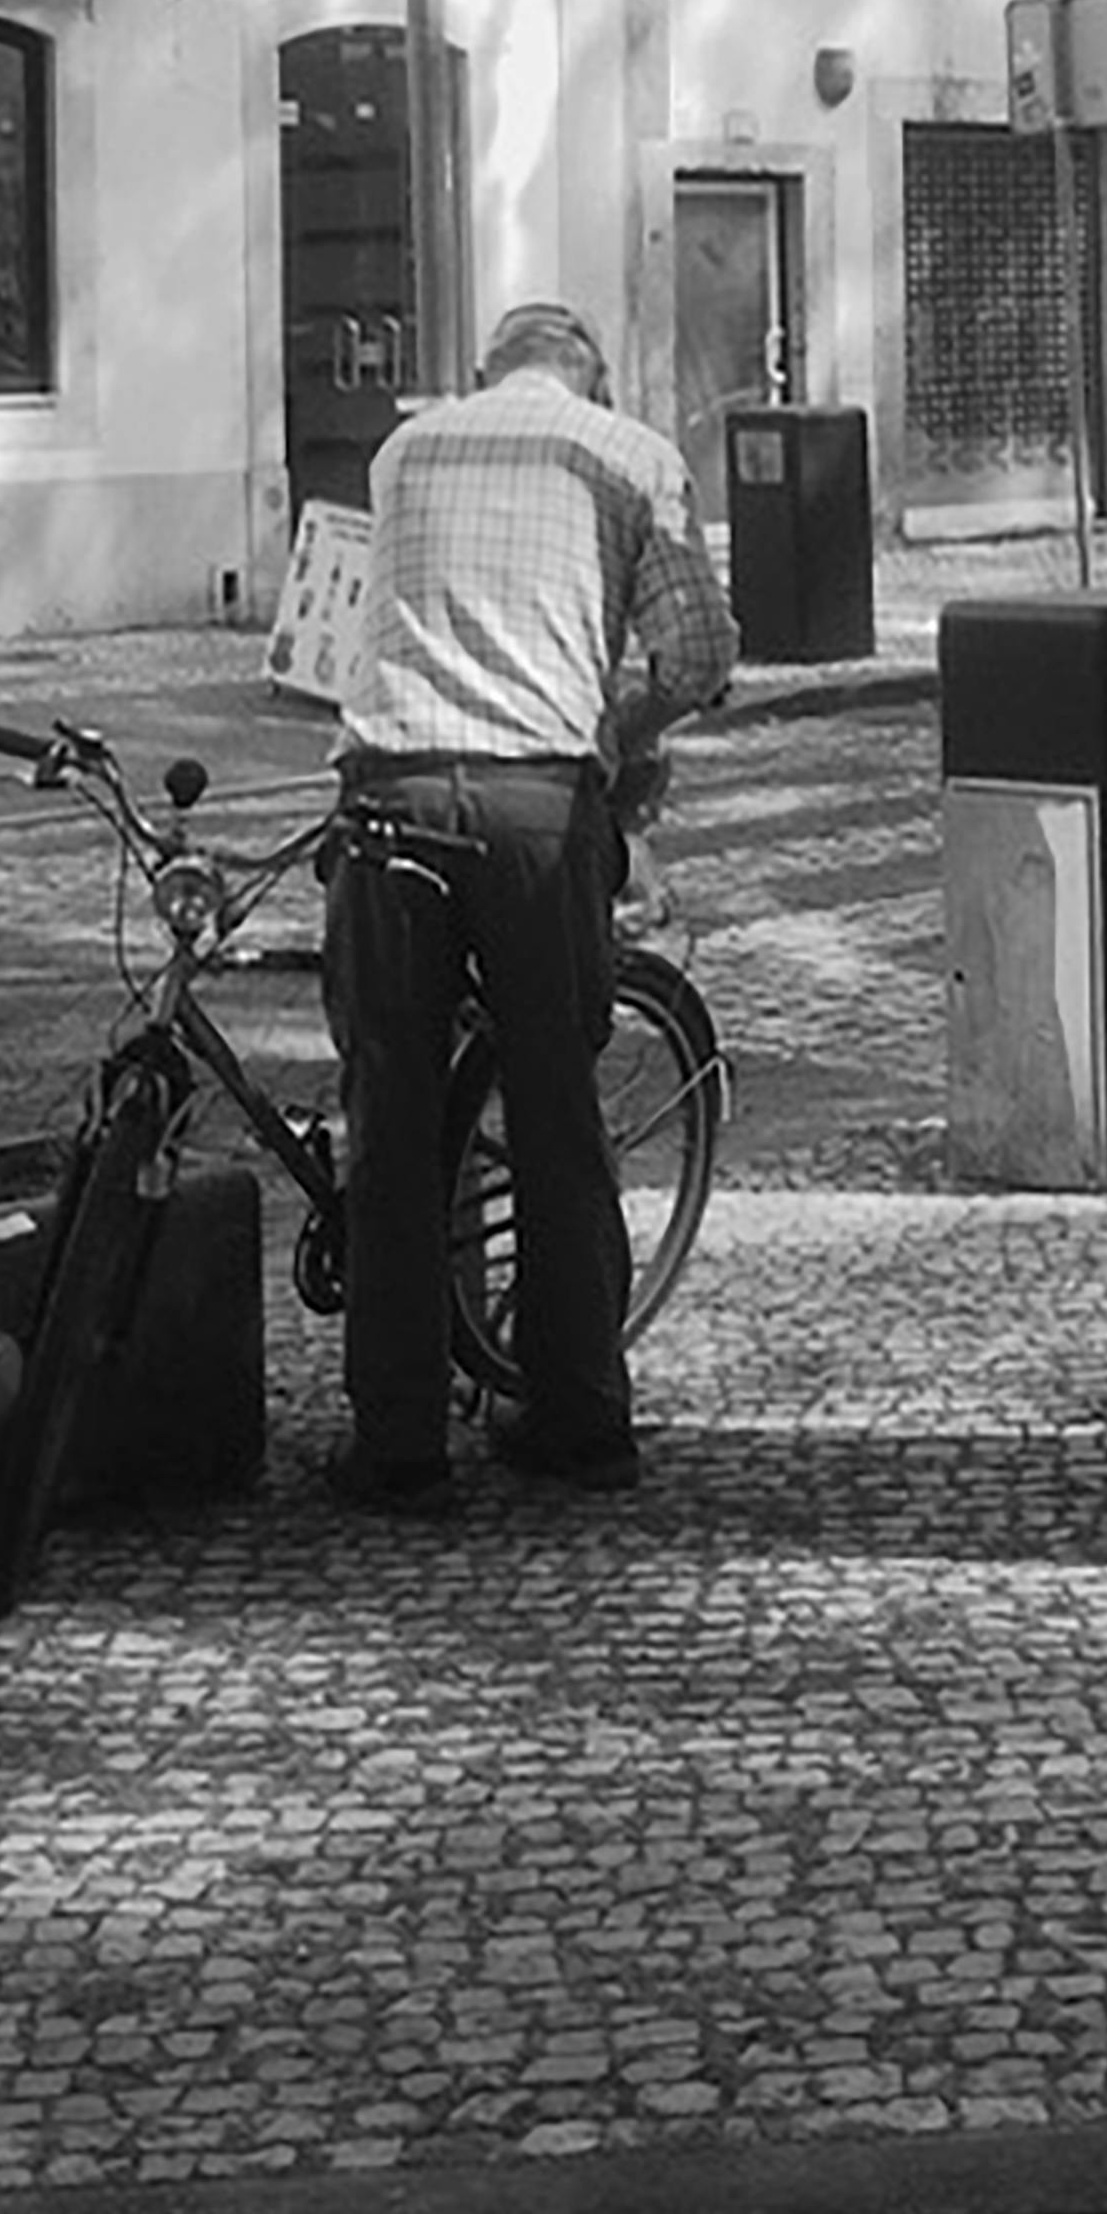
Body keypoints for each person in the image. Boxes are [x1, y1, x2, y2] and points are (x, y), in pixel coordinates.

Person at [323, 298, 736, 1508]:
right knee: (555, 1109)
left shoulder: (405, 448)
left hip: (387, 795)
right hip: (535, 814)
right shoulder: (625, 453)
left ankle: (395, 1448)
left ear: (480, 371)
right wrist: (625, 732)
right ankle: (579, 1421)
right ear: (592, 380)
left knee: (388, 1125)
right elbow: (701, 656)